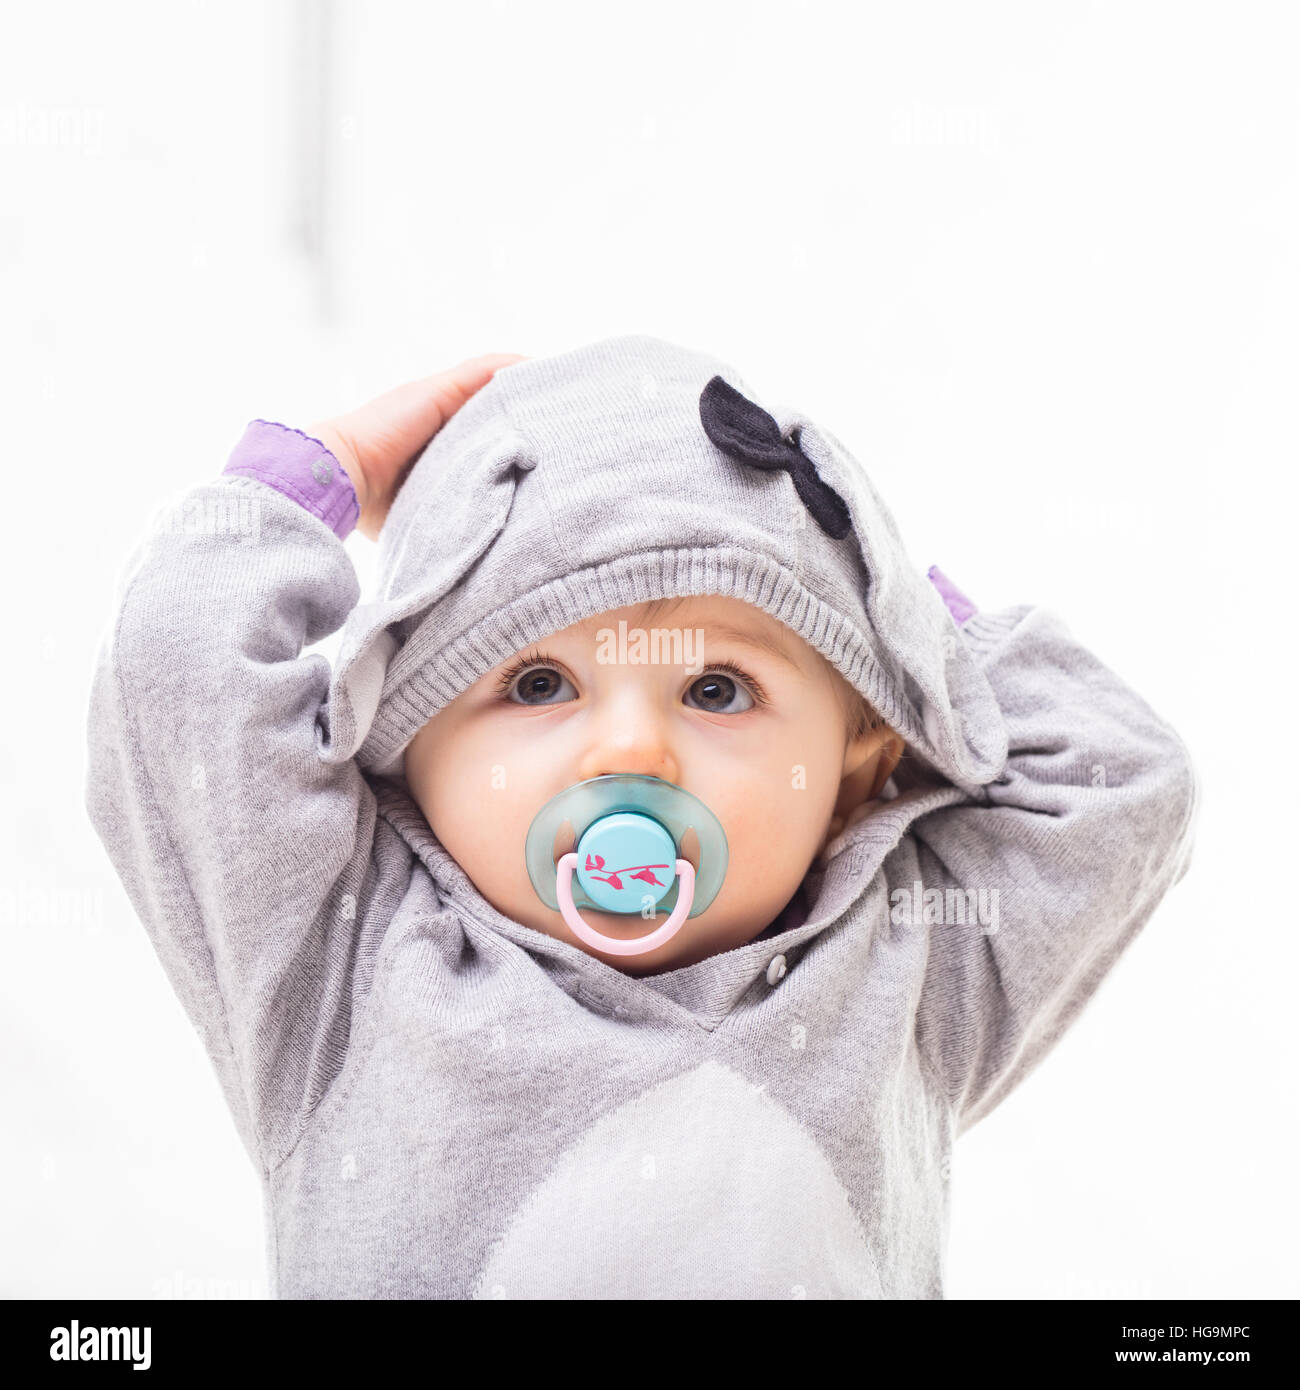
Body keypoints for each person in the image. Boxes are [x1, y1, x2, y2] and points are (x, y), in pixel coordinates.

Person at [85, 333, 1199, 1298]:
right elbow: (173, 676)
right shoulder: (337, 959)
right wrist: (314, 476)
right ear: (409, 746)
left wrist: (901, 616)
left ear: (863, 762)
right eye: (535, 684)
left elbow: (1118, 781)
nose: (628, 747)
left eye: (717, 689)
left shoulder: (906, 975)